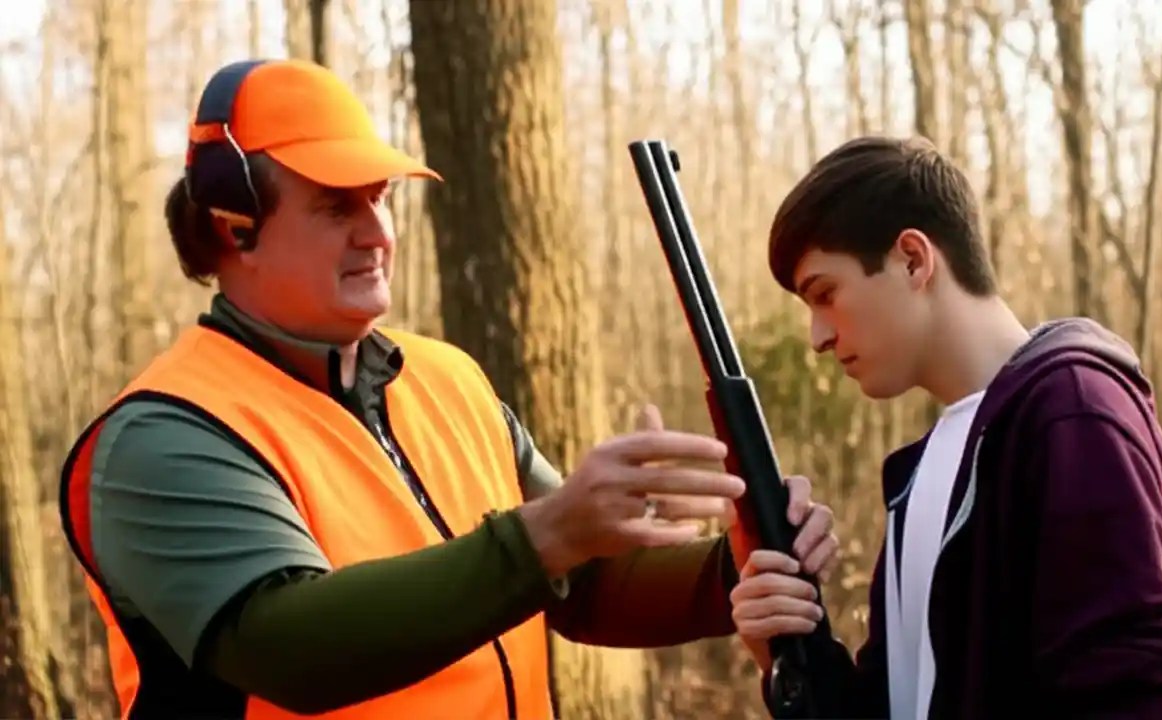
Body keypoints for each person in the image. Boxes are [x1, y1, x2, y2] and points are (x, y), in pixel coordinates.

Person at [56, 58, 840, 719]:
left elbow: (581, 587)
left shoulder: (447, 379)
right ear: (234, 227)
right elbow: (291, 649)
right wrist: (550, 534)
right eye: (336, 206)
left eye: (380, 198)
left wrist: (740, 567)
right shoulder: (165, 434)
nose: (377, 233)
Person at [727, 136, 1162, 719]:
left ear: (913, 259)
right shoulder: (921, 473)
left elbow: (1134, 691)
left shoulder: (1073, 413)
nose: (818, 337)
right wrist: (792, 646)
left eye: (826, 294)